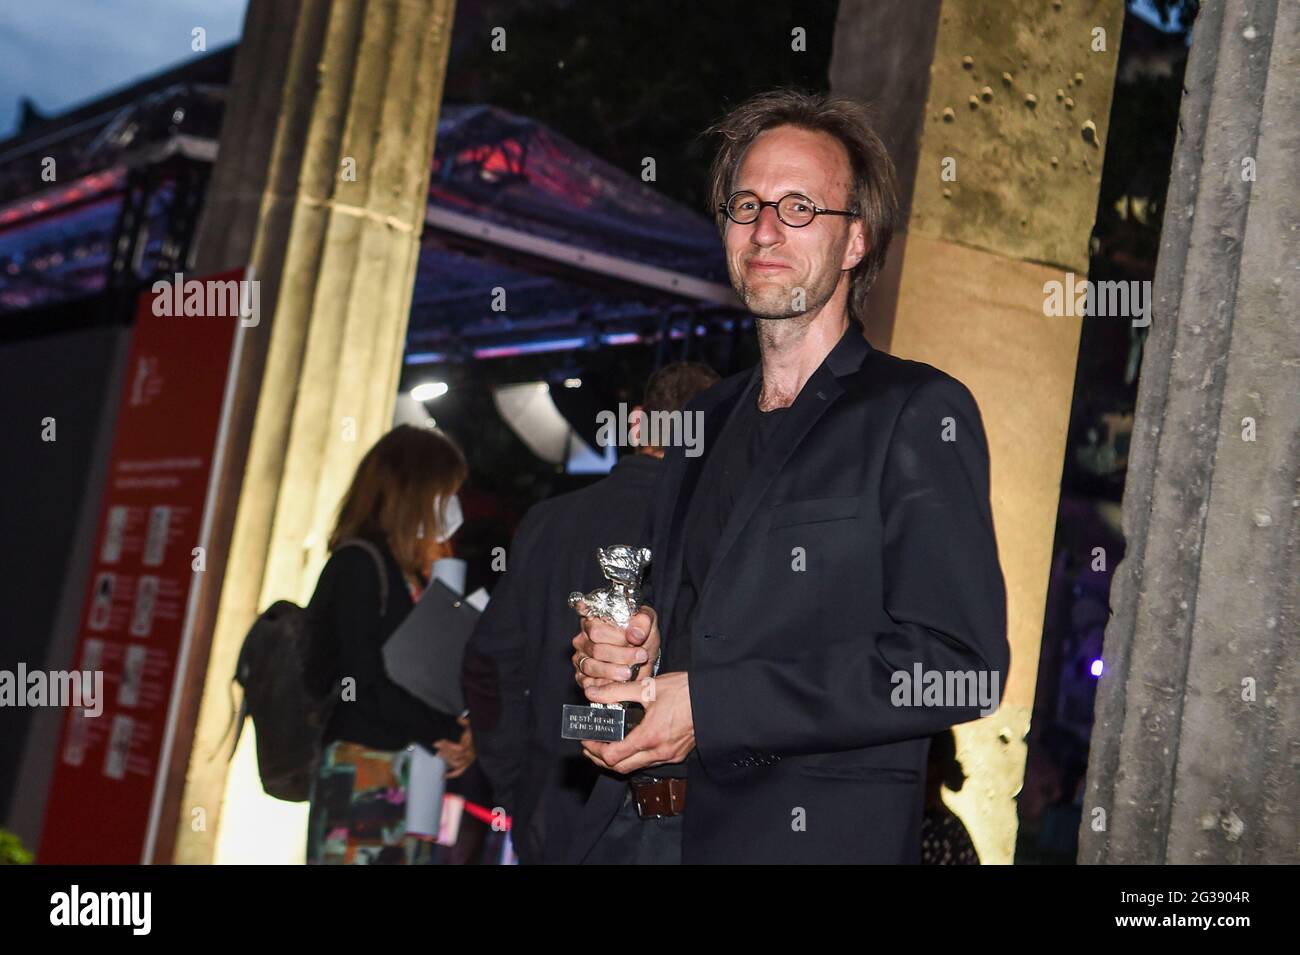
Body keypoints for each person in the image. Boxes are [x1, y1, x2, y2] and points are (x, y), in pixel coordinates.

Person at [568, 88, 1010, 864]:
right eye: (747, 204)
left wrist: (713, 705)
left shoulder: (915, 410)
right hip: (639, 834)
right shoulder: (702, 419)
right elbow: (687, 625)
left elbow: (960, 668)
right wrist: (624, 657)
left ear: (855, 242)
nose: (766, 227)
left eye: (800, 207)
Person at [463, 362, 720, 864]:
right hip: (667, 821)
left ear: (638, 424)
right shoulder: (714, 531)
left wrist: (517, 786)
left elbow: (489, 664)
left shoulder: (546, 520)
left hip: (551, 804)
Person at [303, 424, 475, 865]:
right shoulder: (358, 564)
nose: (451, 506)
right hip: (363, 770)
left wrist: (455, 730)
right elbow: (363, 681)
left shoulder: (408, 570)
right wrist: (443, 731)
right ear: (415, 490)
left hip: (405, 770)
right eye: (444, 491)